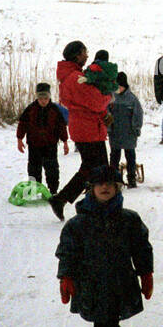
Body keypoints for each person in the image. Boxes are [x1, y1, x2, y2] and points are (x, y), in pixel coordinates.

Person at [56, 165, 154, 327]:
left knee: (106, 309)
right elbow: (67, 251)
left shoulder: (129, 219)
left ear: (118, 188)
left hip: (120, 277)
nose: (105, 187)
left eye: (111, 184)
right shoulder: (78, 224)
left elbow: (141, 247)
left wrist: (146, 273)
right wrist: (66, 276)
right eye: (100, 183)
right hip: (90, 279)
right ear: (91, 189)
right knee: (106, 310)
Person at [50, 41, 114, 221]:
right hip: (88, 130)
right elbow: (96, 101)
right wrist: (108, 94)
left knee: (91, 168)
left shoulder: (73, 75)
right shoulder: (75, 78)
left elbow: (88, 103)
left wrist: (103, 114)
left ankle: (66, 200)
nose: (87, 55)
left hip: (87, 127)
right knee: (99, 170)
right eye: (85, 52)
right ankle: (93, 206)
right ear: (77, 55)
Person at [17, 81, 70, 194]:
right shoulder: (31, 109)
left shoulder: (55, 110)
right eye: (41, 98)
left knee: (52, 169)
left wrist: (65, 142)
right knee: (34, 169)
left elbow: (61, 127)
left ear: (49, 97)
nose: (43, 100)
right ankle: (35, 189)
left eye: (45, 98)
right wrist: (19, 139)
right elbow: (22, 124)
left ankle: (53, 190)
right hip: (34, 145)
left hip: (50, 145)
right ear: (37, 97)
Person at [108, 72, 144, 188]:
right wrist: (108, 128)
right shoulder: (111, 98)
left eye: (119, 86)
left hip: (129, 132)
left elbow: (138, 114)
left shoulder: (132, 99)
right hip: (115, 133)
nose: (117, 89)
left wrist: (136, 128)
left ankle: (131, 179)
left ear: (124, 85)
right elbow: (106, 113)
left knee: (130, 157)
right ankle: (114, 179)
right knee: (114, 157)